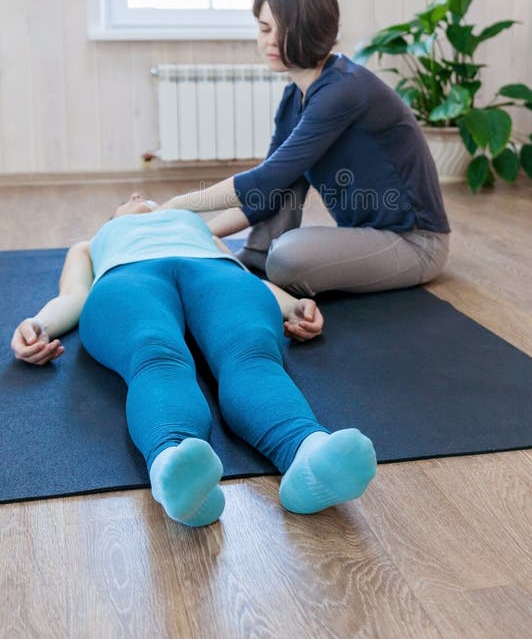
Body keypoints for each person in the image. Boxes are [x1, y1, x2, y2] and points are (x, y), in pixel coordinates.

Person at [10, 194, 377, 527]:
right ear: (113, 217)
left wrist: (291, 306)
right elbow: (74, 295)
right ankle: (173, 467)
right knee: (155, 355)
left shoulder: (196, 226)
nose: (140, 197)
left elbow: (247, 276)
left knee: (250, 349)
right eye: (126, 199)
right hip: (128, 280)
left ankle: (309, 456)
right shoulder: (91, 245)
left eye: (148, 199)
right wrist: (39, 324)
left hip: (216, 273)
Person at [160, 0, 451, 297]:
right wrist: (201, 234)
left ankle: (255, 269)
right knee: (285, 180)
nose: (269, 41)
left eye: (281, 31)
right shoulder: (294, 98)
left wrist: (175, 207)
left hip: (415, 243)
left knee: (286, 257)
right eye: (264, 28)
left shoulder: (344, 89)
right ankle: (252, 258)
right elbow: (269, 189)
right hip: (366, 233)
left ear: (309, 32)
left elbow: (263, 180)